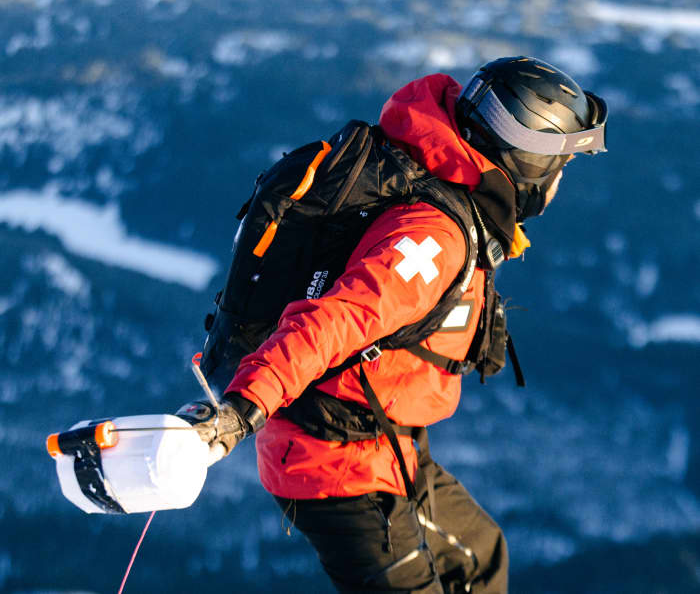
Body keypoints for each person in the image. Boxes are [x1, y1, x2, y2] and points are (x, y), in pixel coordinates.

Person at [182, 56, 608, 593]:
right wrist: (242, 408)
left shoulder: (439, 180)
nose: (561, 181)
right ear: (529, 163)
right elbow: (339, 319)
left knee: (479, 560)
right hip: (336, 468)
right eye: (560, 166)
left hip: (387, 443)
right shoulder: (436, 238)